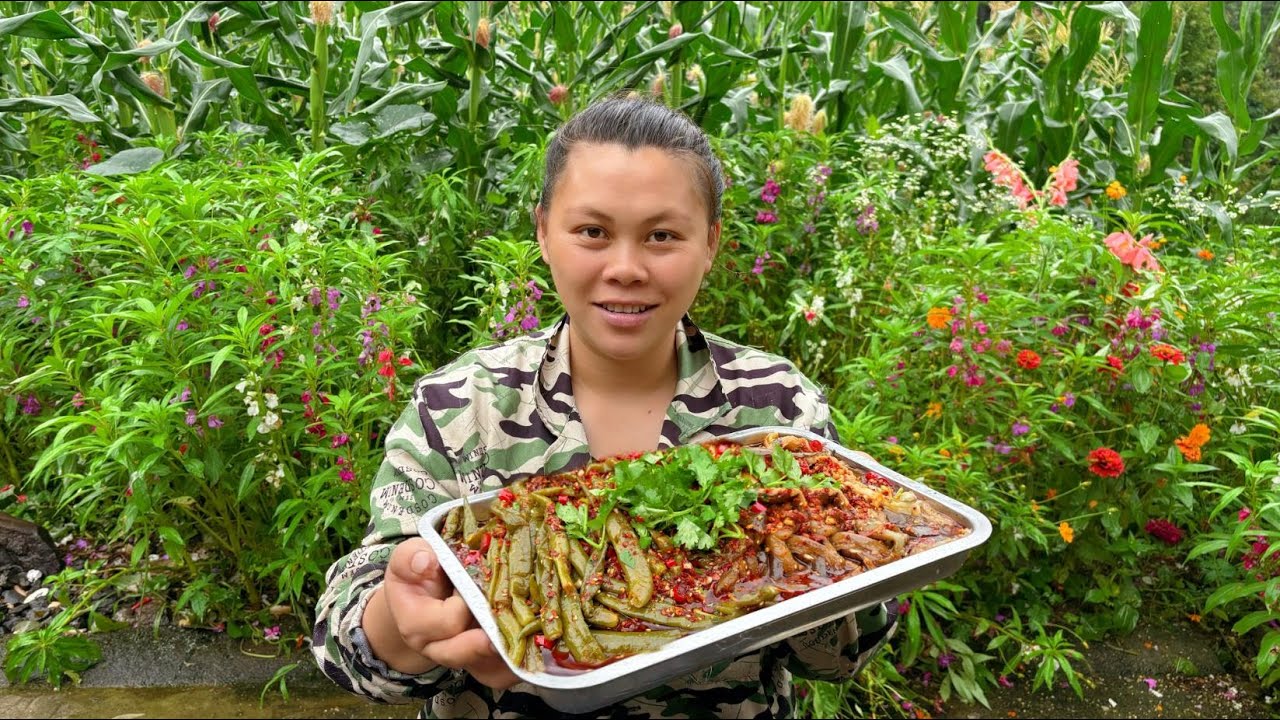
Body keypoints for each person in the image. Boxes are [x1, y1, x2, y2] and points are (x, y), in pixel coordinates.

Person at [313, 94, 899, 719]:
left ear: (711, 243)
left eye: (662, 236)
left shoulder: (778, 410)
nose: (626, 268)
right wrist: (402, 621)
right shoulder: (462, 406)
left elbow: (839, 660)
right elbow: (346, 642)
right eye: (592, 232)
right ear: (543, 231)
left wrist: (834, 550)